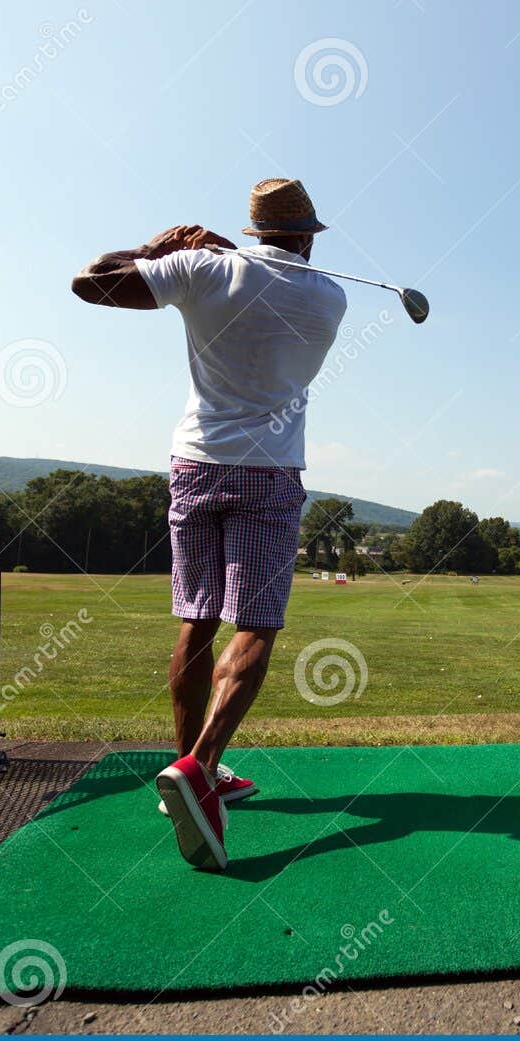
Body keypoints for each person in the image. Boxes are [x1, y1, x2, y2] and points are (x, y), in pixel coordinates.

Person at [71, 178, 346, 870]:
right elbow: (270, 287)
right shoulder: (330, 297)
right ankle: (202, 768)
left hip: (195, 464)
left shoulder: (200, 269)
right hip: (270, 471)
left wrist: (157, 248)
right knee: (254, 624)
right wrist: (221, 259)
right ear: (308, 235)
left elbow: (89, 283)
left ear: (252, 231)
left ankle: (186, 772)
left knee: (196, 619)